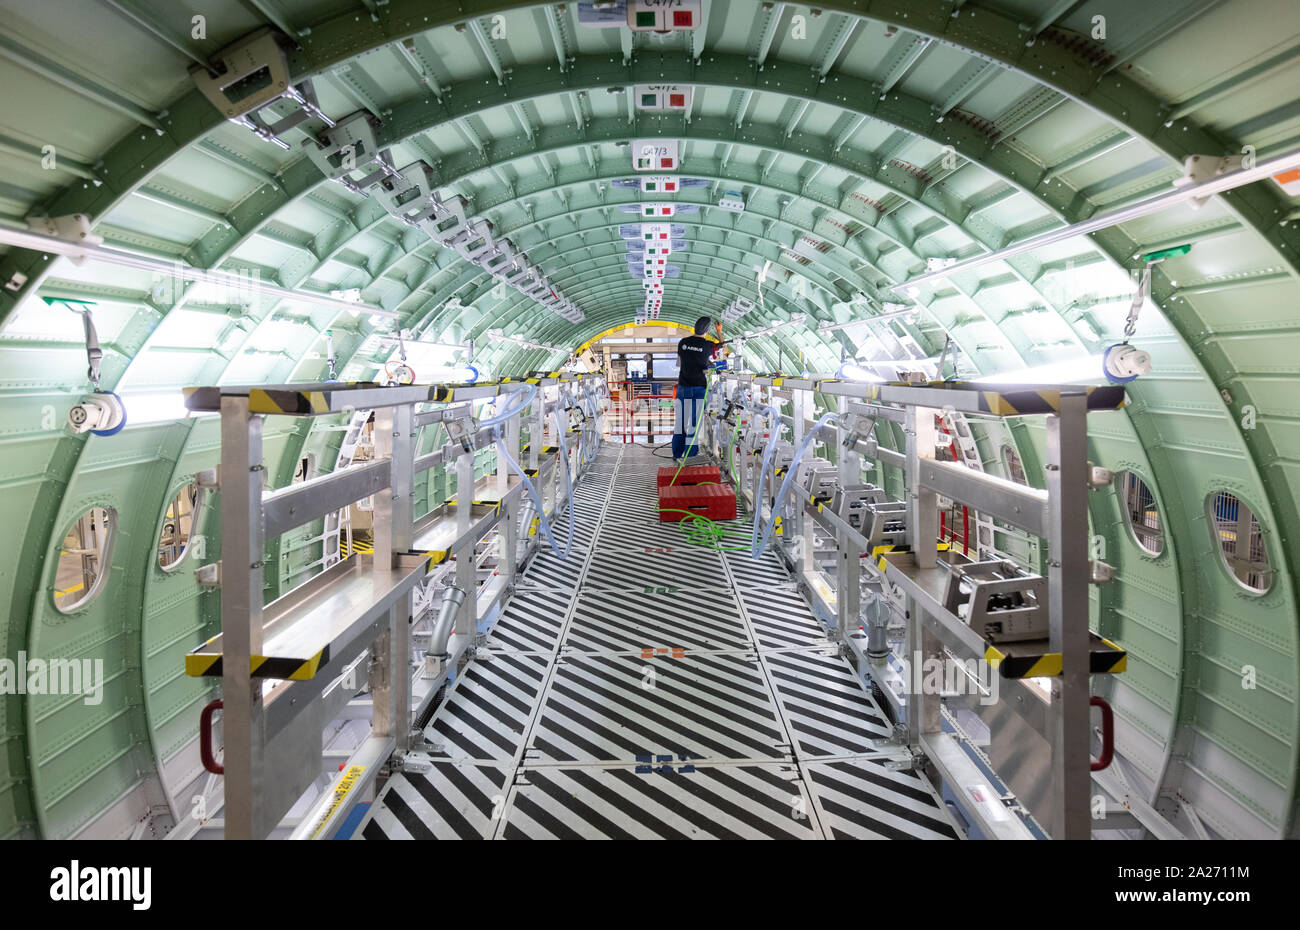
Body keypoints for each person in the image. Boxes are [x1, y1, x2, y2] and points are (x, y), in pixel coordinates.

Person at [672, 316, 719, 460]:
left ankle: (676, 453)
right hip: (699, 388)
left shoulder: (683, 343)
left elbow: (679, 362)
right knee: (694, 423)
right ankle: (690, 456)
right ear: (707, 330)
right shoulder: (707, 345)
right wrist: (720, 331)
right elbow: (722, 346)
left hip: (683, 387)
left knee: (680, 422)